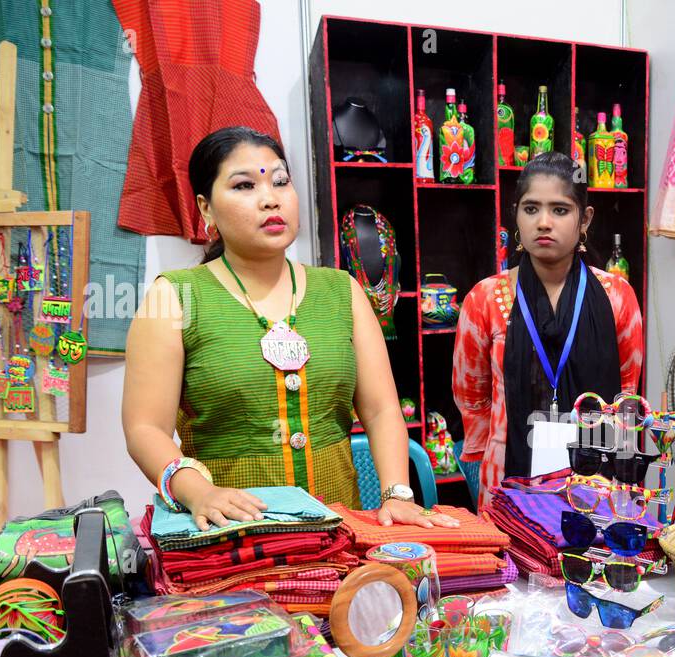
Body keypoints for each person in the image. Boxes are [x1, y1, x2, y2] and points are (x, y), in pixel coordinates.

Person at [123, 126, 457, 531]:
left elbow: (382, 408)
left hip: (339, 533)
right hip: (235, 538)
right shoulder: (174, 297)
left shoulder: (341, 291)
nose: (270, 198)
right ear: (206, 209)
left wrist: (396, 493)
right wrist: (198, 491)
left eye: (280, 181)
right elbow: (144, 428)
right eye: (244, 186)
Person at [453, 152, 644, 510]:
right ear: (516, 215)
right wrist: (489, 448)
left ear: (584, 218)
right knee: (513, 563)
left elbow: (625, 394)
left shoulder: (617, 296)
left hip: (598, 477)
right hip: (508, 474)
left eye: (559, 210)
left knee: (590, 561)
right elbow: (470, 395)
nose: (543, 222)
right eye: (531, 209)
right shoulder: (485, 299)